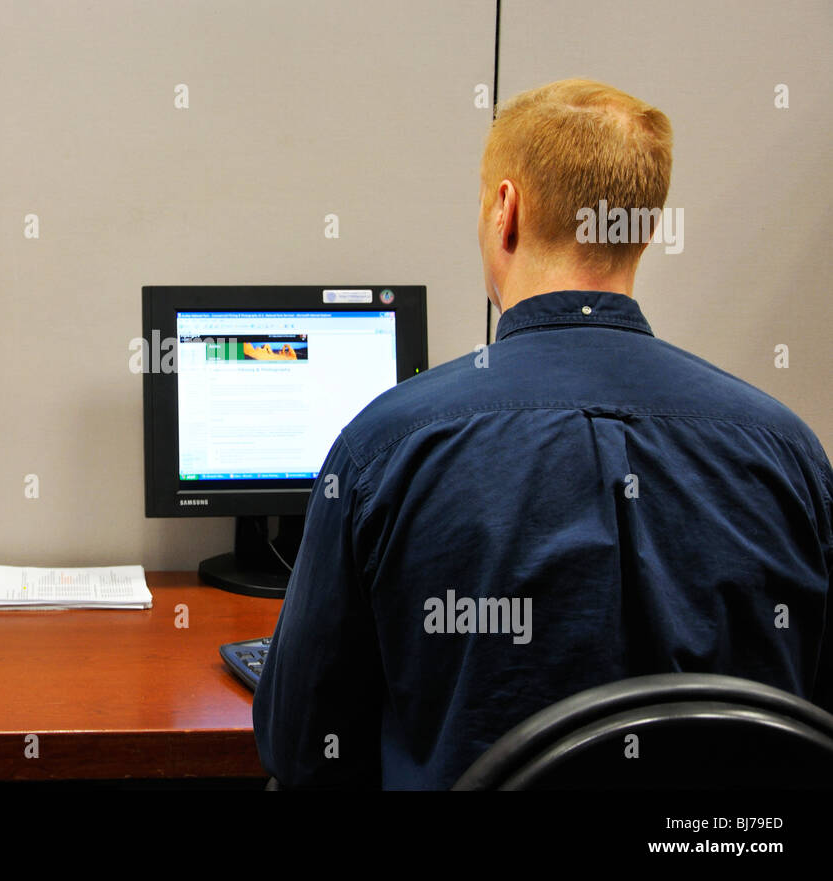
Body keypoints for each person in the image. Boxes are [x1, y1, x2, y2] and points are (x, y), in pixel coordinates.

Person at [252, 78, 833, 789]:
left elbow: (303, 747)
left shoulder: (385, 446)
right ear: (643, 229)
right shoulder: (790, 454)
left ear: (506, 211)